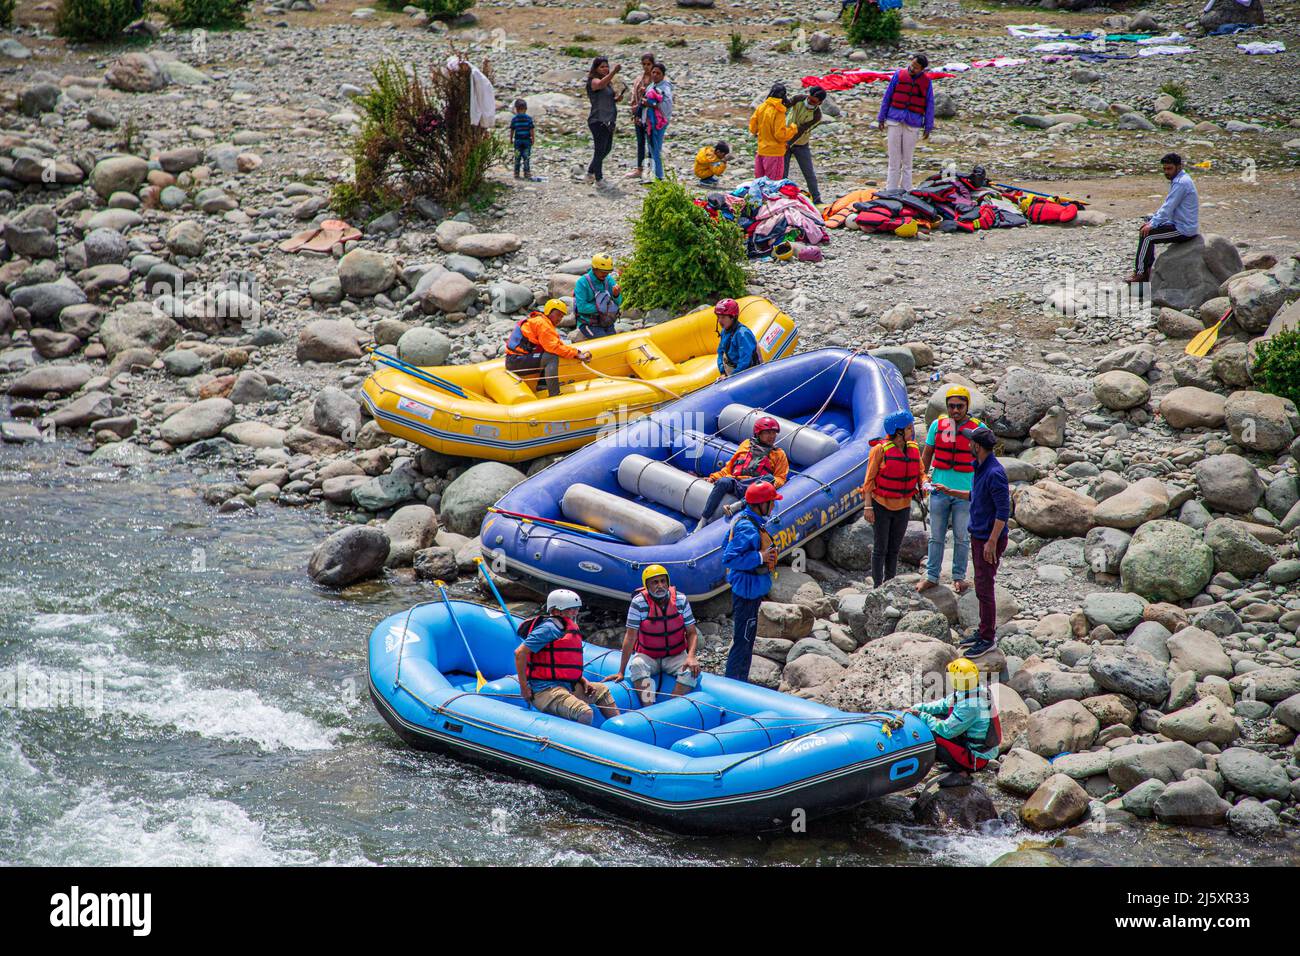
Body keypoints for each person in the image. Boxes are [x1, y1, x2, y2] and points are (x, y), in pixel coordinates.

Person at [516, 589, 620, 724]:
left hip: (566, 686)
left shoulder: (566, 628)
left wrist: (582, 681)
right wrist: (524, 688)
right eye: (570, 609)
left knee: (602, 691)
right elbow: (520, 653)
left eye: (576, 609)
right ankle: (580, 743)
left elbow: (561, 664)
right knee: (585, 712)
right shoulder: (548, 628)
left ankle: (620, 734)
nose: (575, 613)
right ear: (555, 611)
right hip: (544, 690)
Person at [918, 385, 982, 596]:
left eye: (960, 406)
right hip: (939, 490)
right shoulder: (937, 425)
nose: (956, 410)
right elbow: (927, 455)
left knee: (961, 537)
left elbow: (986, 460)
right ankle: (931, 576)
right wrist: (921, 478)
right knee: (935, 536)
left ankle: (959, 577)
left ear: (967, 406)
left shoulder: (978, 429)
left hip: (964, 493)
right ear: (946, 406)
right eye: (952, 406)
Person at [606, 565, 700, 706]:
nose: (660, 585)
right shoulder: (638, 603)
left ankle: (671, 706)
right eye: (655, 582)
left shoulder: (680, 599)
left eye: (663, 581)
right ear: (646, 585)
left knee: (691, 672)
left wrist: (691, 656)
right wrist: (621, 671)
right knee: (637, 666)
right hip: (648, 655)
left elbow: (692, 633)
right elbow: (630, 637)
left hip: (676, 655)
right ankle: (649, 707)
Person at [907, 657, 999, 787]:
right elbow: (944, 704)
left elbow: (946, 731)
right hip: (969, 743)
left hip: (975, 758)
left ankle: (962, 773)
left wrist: (923, 717)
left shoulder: (971, 705)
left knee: (933, 736)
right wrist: (919, 708)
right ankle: (954, 762)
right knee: (939, 714)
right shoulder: (976, 689)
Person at [722, 482, 781, 681]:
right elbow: (729, 558)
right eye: (771, 502)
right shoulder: (748, 527)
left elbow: (725, 544)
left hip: (750, 589)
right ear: (761, 504)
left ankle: (739, 679)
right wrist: (760, 558)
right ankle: (735, 683)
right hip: (746, 591)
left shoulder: (746, 520)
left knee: (746, 638)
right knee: (743, 639)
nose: (773, 506)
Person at [861, 410, 927, 587]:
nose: (912, 431)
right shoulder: (880, 450)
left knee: (894, 549)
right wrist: (868, 507)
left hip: (903, 506)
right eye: (908, 428)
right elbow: (869, 480)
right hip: (881, 505)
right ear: (898, 431)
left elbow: (920, 473)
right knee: (880, 548)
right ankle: (877, 586)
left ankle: (889, 583)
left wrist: (925, 484)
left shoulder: (913, 448)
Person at [962, 425, 1009, 657]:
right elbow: (975, 496)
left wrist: (991, 542)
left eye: (971, 442)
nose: (968, 444)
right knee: (981, 584)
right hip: (978, 535)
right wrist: (949, 491)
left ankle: (988, 637)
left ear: (977, 446)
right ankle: (982, 631)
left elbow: (1003, 512)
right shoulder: (979, 467)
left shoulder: (994, 473)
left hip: (987, 540)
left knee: (985, 586)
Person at [696, 416, 789, 531]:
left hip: (756, 486)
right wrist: (713, 478)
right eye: (768, 433)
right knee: (723, 481)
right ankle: (703, 519)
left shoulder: (779, 454)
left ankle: (738, 505)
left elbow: (780, 477)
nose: (772, 436)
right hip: (738, 482)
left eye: (774, 433)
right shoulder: (746, 444)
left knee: (769, 478)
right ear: (758, 433)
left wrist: (769, 485)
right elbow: (730, 467)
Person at [1126, 153, 1199, 285]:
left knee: (1147, 235)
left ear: (1179, 167)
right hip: (1177, 224)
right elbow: (1168, 208)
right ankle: (1148, 269)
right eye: (1164, 169)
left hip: (1183, 229)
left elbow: (1168, 207)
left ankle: (1141, 273)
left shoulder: (1181, 183)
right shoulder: (1180, 180)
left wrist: (1153, 223)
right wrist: (1152, 222)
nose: (1166, 172)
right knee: (1146, 229)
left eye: (1169, 169)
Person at [503, 299, 592, 397]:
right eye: (558, 315)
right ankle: (554, 393)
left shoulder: (541, 321)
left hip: (516, 359)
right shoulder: (542, 324)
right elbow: (554, 347)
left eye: (562, 316)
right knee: (551, 357)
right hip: (516, 361)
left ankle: (542, 385)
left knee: (546, 353)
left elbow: (556, 343)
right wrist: (576, 353)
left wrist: (574, 352)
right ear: (549, 312)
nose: (560, 319)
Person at [876, 53, 934, 195]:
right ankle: (891, 191)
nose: (912, 68)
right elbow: (887, 97)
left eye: (916, 67)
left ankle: (907, 191)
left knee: (907, 161)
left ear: (922, 69)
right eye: (912, 65)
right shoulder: (898, 75)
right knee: (894, 160)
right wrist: (881, 118)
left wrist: (928, 125)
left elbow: (929, 104)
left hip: (912, 123)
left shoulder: (927, 82)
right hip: (894, 120)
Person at [783, 86, 826, 205]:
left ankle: (816, 199)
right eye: (809, 99)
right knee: (783, 173)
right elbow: (784, 107)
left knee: (808, 173)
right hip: (784, 141)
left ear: (820, 103)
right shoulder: (798, 99)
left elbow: (802, 130)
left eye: (813, 102)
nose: (809, 102)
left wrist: (789, 143)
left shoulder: (817, 116)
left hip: (800, 144)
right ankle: (782, 197)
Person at [584, 57, 622, 187]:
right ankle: (598, 179)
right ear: (595, 68)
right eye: (602, 67)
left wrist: (617, 98)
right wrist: (614, 73)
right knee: (600, 149)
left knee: (607, 148)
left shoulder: (608, 83)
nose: (605, 69)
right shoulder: (593, 81)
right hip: (598, 120)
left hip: (609, 120)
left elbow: (607, 97)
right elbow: (599, 85)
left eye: (607, 66)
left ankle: (590, 172)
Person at [749, 83, 798, 181]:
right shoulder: (779, 111)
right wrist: (793, 129)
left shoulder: (761, 107)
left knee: (760, 183)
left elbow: (753, 128)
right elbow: (780, 135)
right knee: (772, 185)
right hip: (774, 153)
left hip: (761, 150)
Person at [573, 254, 623, 340]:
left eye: (608, 272)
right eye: (603, 272)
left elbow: (618, 303)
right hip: (589, 324)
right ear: (594, 269)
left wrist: (616, 295)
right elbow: (581, 307)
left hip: (607, 322)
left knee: (614, 342)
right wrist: (604, 308)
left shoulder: (608, 279)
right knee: (605, 342)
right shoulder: (582, 283)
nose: (606, 274)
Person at [625, 53, 657, 182]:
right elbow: (633, 96)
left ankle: (649, 171)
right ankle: (639, 168)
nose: (646, 67)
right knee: (640, 142)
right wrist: (634, 109)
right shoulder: (639, 80)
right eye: (644, 64)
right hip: (639, 115)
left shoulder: (657, 80)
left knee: (651, 144)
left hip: (651, 117)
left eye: (648, 64)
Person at [643, 62, 673, 181]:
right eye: (653, 72)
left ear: (663, 75)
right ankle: (653, 174)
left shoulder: (665, 88)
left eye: (658, 73)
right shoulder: (651, 86)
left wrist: (651, 104)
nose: (655, 75)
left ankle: (659, 176)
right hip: (650, 122)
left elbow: (666, 106)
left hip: (658, 123)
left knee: (656, 148)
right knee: (651, 148)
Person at [714, 298, 760, 377]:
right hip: (734, 371)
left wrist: (731, 377)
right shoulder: (724, 332)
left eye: (723, 317)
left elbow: (745, 362)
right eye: (718, 317)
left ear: (733, 317)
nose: (720, 321)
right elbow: (721, 352)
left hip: (749, 373)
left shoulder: (742, 334)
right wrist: (722, 372)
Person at [509, 98, 535, 181]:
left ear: (516, 109)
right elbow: (531, 129)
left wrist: (510, 139)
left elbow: (512, 130)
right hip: (527, 140)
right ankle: (527, 173)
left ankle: (516, 173)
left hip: (517, 141)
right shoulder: (528, 119)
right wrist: (533, 138)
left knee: (517, 157)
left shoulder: (514, 119)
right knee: (526, 157)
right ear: (526, 109)